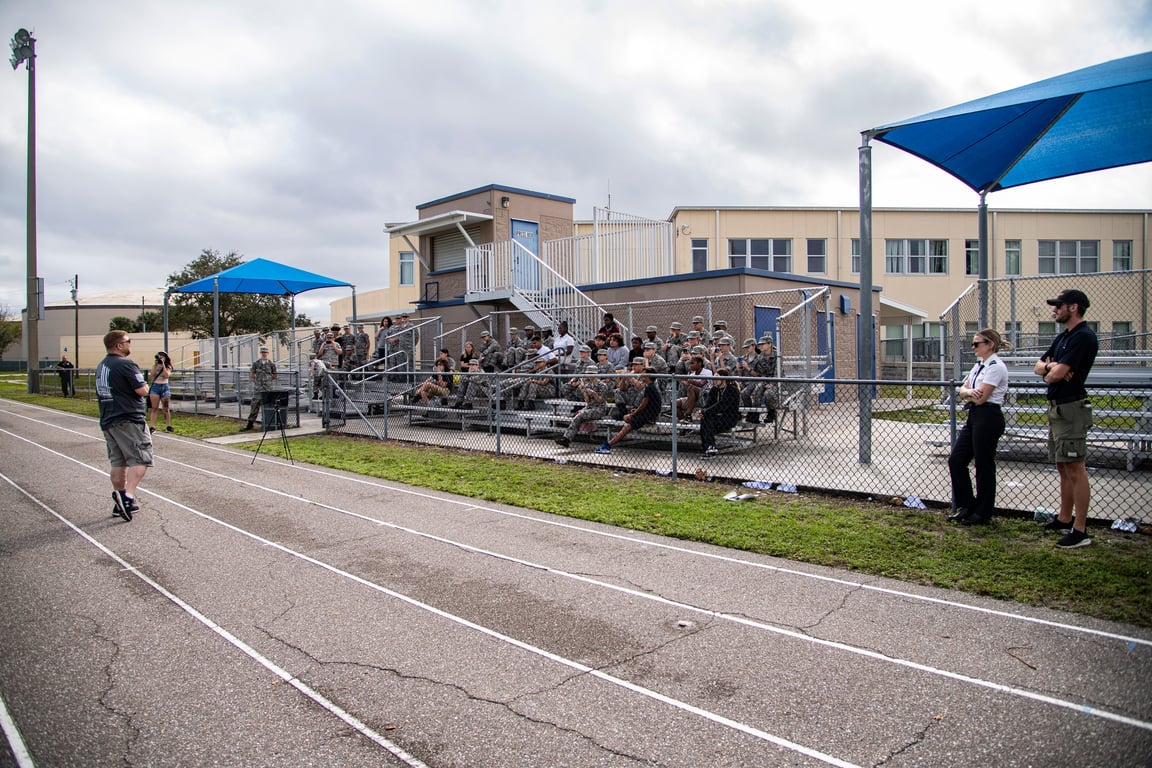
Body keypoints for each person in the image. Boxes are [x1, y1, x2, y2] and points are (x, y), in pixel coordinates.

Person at [1034, 289, 1099, 549]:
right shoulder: (1064, 337)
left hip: (1071, 408)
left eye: (1058, 306)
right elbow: (1040, 367)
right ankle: (1064, 518)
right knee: (1062, 466)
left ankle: (1080, 529)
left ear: (1073, 307)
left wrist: (1053, 369)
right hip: (1057, 408)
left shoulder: (1083, 337)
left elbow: (1055, 374)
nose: (1054, 310)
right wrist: (1051, 367)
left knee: (1075, 468)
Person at [947, 329, 1011, 526]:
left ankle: (983, 512)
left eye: (977, 344)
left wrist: (969, 393)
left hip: (988, 416)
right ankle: (967, 505)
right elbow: (963, 389)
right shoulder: (979, 366)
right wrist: (968, 392)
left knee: (983, 465)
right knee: (956, 460)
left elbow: (982, 397)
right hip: (974, 416)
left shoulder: (995, 366)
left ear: (990, 344)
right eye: (972, 344)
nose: (973, 347)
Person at [96, 330, 151, 522]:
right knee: (140, 459)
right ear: (119, 345)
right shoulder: (126, 364)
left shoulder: (102, 365)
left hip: (108, 419)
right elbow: (142, 390)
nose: (130, 344)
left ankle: (119, 500)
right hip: (128, 418)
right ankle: (127, 497)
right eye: (128, 341)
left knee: (118, 462)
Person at [596, 369, 662, 454]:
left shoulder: (650, 387)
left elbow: (644, 404)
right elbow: (644, 404)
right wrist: (634, 412)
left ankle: (608, 445)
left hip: (650, 415)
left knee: (627, 427)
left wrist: (634, 413)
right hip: (646, 412)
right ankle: (609, 443)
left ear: (648, 377)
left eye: (644, 374)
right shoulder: (649, 386)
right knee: (626, 419)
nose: (642, 375)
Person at [556, 364, 613, 447]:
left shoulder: (602, 385)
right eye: (588, 374)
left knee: (579, 416)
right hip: (590, 407)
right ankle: (566, 439)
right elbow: (587, 401)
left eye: (591, 374)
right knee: (576, 415)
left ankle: (567, 439)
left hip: (599, 409)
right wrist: (583, 391)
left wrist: (594, 394)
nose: (589, 376)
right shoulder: (587, 384)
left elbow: (601, 401)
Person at [699, 368, 741, 456]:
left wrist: (706, 412)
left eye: (717, 378)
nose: (715, 380)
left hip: (728, 418)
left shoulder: (732, 390)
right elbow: (708, 404)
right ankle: (709, 447)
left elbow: (722, 406)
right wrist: (702, 411)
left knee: (707, 420)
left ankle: (710, 447)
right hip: (716, 417)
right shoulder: (714, 389)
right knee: (705, 419)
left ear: (724, 378)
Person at [240, 346, 278, 431]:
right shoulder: (256, 363)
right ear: (261, 353)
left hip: (267, 388)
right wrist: (259, 380)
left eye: (265, 352)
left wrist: (267, 379)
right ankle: (250, 423)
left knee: (267, 405)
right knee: (255, 405)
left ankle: (266, 423)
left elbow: (274, 375)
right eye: (263, 352)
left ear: (267, 353)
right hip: (258, 388)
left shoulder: (271, 364)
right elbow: (252, 374)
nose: (264, 354)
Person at [147, 350, 175, 434]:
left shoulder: (168, 366)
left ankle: (168, 425)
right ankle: (152, 426)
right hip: (155, 387)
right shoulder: (155, 365)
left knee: (165, 408)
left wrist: (163, 364)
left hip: (164, 387)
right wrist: (156, 364)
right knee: (154, 408)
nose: (161, 358)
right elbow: (151, 374)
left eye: (163, 356)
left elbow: (166, 375)